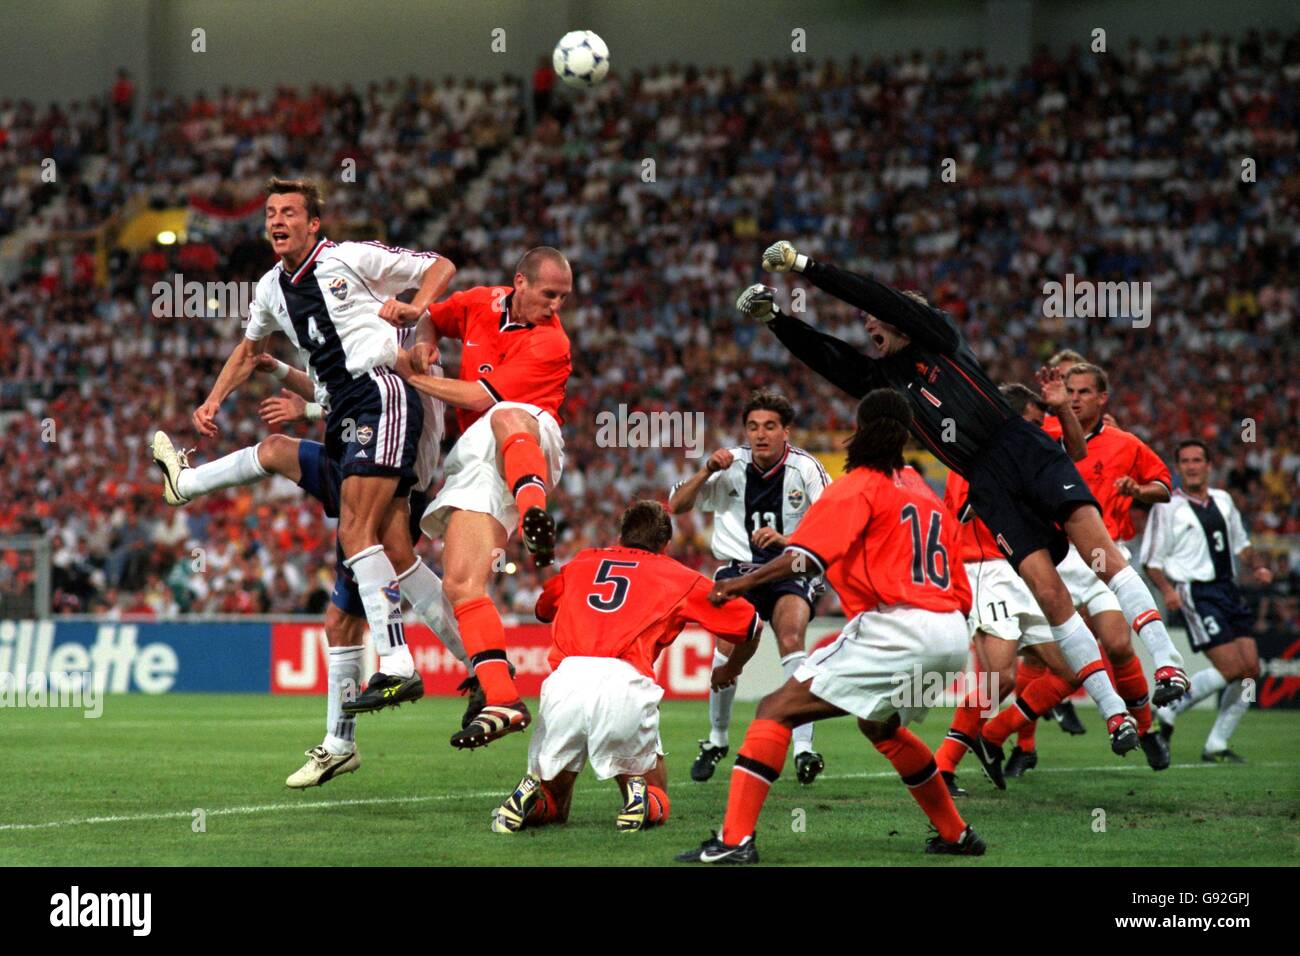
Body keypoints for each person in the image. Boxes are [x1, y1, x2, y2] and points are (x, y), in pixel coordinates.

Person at [736, 241, 1189, 753]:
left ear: (902, 320)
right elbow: (830, 358)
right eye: (867, 324)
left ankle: (1168, 661)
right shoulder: (884, 378)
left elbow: (873, 295)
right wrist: (778, 319)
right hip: (986, 480)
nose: (869, 329)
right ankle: (1114, 715)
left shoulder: (938, 339)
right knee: (1048, 592)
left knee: (1100, 554)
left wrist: (804, 267)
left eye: (876, 322)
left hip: (1020, 446)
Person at [166, 177, 455, 715]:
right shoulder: (270, 290)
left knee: (355, 528)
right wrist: (211, 402)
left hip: (383, 392)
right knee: (392, 543)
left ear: (313, 223)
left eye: (290, 212)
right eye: (271, 212)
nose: (277, 221)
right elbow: (249, 351)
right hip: (343, 413)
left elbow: (438, 265)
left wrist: (419, 310)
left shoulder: (348, 258)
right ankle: (480, 666)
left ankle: (396, 665)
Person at [677, 391, 984, 864]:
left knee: (775, 709)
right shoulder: (923, 491)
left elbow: (803, 559)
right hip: (950, 631)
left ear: (861, 429)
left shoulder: (857, 483)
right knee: (879, 726)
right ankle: (955, 834)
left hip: (899, 627)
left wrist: (745, 583)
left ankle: (735, 842)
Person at [153, 347, 474, 786]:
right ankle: (184, 484)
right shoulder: (380, 330)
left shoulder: (403, 334)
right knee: (275, 450)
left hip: (385, 471)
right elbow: (346, 392)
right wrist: (284, 373)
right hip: (361, 460)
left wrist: (305, 404)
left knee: (368, 588)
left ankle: (467, 669)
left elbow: (391, 395)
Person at [391, 247, 572, 749]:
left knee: (504, 415)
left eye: (563, 297)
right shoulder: (479, 302)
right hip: (476, 457)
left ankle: (537, 517)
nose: (556, 305)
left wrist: (413, 376)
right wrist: (425, 343)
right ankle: (503, 699)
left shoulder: (551, 344)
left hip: (532, 441)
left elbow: (480, 398)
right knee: (461, 585)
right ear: (519, 282)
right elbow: (430, 316)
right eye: (549, 293)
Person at [490, 500, 761, 834]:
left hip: (565, 682)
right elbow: (752, 625)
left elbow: (544, 609)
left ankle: (531, 794)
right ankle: (642, 798)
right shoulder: (678, 576)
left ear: (620, 536)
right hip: (625, 682)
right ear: (665, 546)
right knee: (656, 791)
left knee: (555, 804)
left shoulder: (582, 562)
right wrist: (730, 668)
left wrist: (550, 565)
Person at [668, 390, 830, 785]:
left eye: (770, 426)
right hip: (738, 571)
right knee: (727, 652)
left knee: (792, 638)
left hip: (790, 567)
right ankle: (716, 739)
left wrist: (789, 541)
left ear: (785, 431)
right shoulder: (729, 465)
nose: (761, 434)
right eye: (753, 426)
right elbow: (676, 506)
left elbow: (829, 524)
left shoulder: (806, 468)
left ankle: (805, 749)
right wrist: (706, 470)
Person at [935, 379, 1087, 795]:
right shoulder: (971, 453)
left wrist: (1063, 411)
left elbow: (1077, 452)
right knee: (1000, 677)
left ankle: (993, 734)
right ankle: (942, 768)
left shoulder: (1024, 452)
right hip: (986, 567)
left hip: (1026, 568)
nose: (1039, 431)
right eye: (1034, 423)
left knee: (1071, 670)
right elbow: (962, 510)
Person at [1142, 440, 1273, 762]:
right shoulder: (1167, 506)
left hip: (1228, 589)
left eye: (1197, 460)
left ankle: (1216, 744)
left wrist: (1257, 565)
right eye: (1184, 461)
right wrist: (1168, 590)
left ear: (1208, 465)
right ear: (1178, 467)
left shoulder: (1224, 500)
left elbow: (1241, 544)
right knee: (1232, 668)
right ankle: (1170, 708)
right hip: (1196, 592)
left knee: (1250, 671)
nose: (1191, 466)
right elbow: (1151, 560)